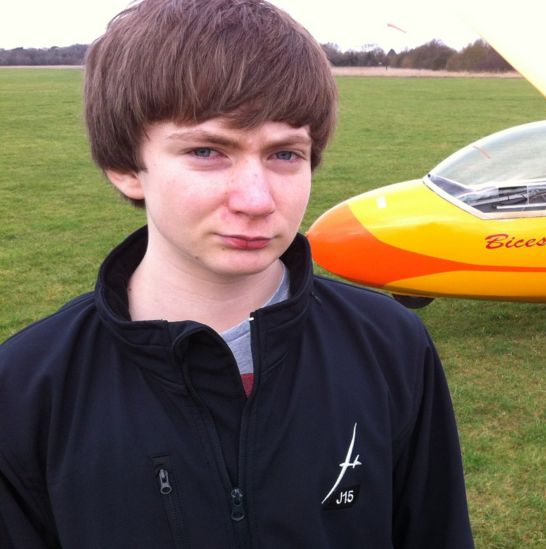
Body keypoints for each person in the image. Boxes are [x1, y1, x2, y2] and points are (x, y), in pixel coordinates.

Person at [0, 0, 473, 547]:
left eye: (285, 155)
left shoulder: (391, 344)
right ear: (126, 167)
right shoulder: (26, 390)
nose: (256, 199)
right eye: (208, 151)